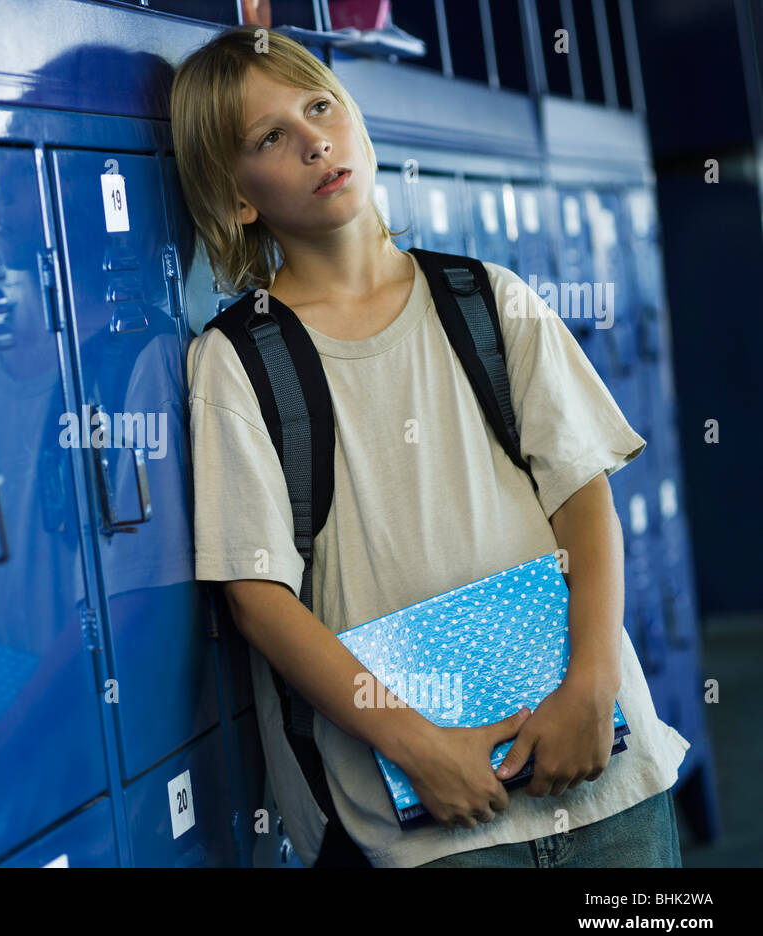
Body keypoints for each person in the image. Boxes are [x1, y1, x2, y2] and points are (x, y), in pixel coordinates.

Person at [170, 25, 690, 868]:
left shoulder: (488, 298)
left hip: (605, 781)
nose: (315, 142)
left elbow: (581, 497)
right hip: (431, 819)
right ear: (238, 199)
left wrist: (593, 686)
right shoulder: (236, 361)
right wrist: (417, 746)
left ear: (357, 120)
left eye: (320, 106)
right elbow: (257, 596)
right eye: (271, 138)